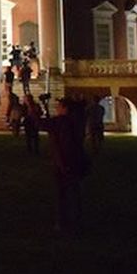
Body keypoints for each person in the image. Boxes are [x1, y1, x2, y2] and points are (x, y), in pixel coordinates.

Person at [41, 98, 90, 234]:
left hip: (64, 162)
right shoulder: (77, 121)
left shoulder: (62, 122)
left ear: (65, 108)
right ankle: (77, 220)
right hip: (77, 160)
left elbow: (41, 123)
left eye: (59, 106)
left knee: (62, 193)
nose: (57, 109)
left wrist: (31, 106)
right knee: (75, 192)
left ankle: (63, 222)